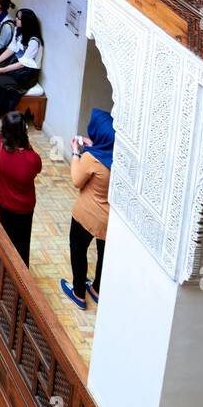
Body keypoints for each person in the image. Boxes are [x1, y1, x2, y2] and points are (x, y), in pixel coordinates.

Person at [61, 108, 115, 311]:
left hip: (86, 215)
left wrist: (76, 153)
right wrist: (95, 146)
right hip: (108, 220)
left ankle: (78, 293)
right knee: (103, 255)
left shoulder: (91, 159)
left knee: (78, 250)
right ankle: (97, 290)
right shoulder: (116, 159)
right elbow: (105, 152)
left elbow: (77, 180)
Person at [0, 112, 44, 265]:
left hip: (1, 205)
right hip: (23, 209)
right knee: (21, 247)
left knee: (0, 243)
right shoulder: (31, 159)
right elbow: (38, 168)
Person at [0, 7, 44, 118]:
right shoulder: (18, 30)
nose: (16, 20)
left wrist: (1, 69)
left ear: (26, 22)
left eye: (18, 18)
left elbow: (23, 63)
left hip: (26, 72)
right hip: (15, 62)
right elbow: (12, 48)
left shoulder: (34, 41)